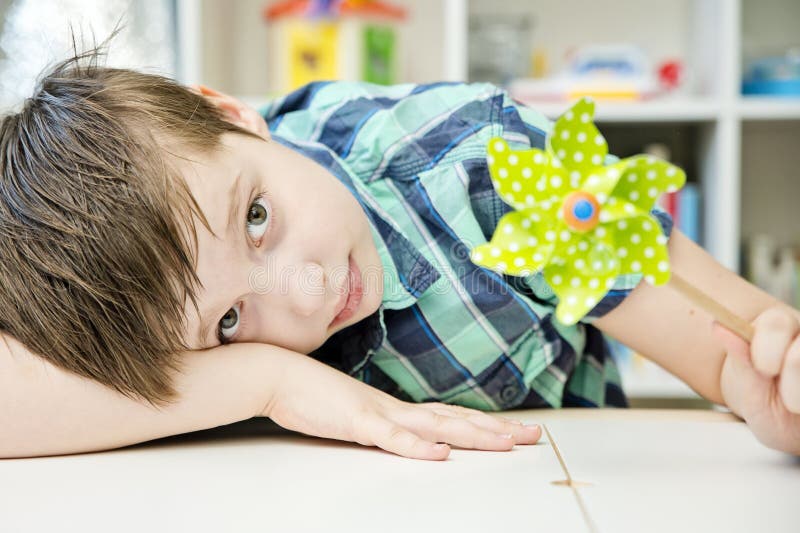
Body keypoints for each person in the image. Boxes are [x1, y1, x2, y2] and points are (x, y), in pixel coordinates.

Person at [1, 45, 799, 461]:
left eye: (256, 217)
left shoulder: (482, 165)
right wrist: (264, 377)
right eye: (232, 319)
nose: (308, 293)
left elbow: (736, 356)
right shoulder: (163, 311)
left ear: (233, 114)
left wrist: (774, 388)